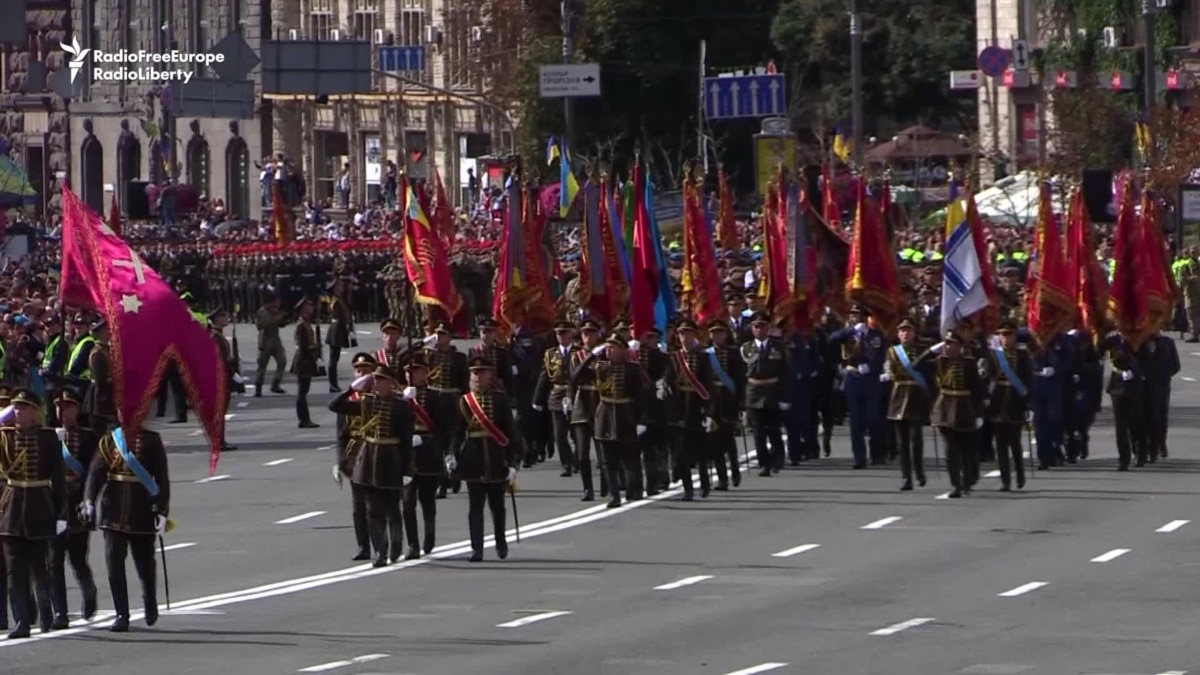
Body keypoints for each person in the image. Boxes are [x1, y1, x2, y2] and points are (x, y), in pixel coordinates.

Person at [83, 420, 170, 632]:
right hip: (113, 509)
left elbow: (162, 478)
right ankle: (122, 613)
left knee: (145, 563)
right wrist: (89, 501)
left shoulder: (151, 440)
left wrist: (162, 511)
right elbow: (96, 473)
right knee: (114, 564)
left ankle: (149, 600)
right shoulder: (110, 440)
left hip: (141, 509)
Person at [329, 365, 414, 567]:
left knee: (392, 507)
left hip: (390, 458)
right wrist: (351, 389)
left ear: (391, 383)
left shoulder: (401, 406)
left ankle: (395, 544)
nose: (376, 383)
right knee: (372, 510)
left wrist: (406, 470)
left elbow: (406, 441)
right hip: (368, 459)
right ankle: (380, 551)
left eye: (380, 379)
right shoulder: (367, 402)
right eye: (374, 379)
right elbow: (335, 406)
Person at [0, 389, 65, 638]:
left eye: (24, 407)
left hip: (39, 508)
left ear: (35, 412)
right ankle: (22, 621)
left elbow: (57, 479)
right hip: (11, 510)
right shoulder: (4, 437)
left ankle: (46, 614)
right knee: (14, 571)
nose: (19, 412)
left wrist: (61, 514)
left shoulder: (48, 439)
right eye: (16, 408)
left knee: (39, 567)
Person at [457, 358, 520, 562]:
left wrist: (512, 464)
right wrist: (451, 455)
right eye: (474, 373)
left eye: (481, 372)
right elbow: (457, 433)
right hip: (473, 458)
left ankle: (500, 542)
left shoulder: (500, 399)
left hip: (495, 457)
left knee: (497, 506)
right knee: (475, 507)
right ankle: (477, 548)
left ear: (489, 375)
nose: (477, 376)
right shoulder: (464, 401)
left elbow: (510, 433)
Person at [576, 335, 647, 507]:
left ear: (623, 350)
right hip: (605, 417)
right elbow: (576, 376)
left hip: (626, 415)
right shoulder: (601, 367)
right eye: (607, 348)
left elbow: (641, 397)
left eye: (613, 348)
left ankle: (632, 489)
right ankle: (614, 496)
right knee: (608, 461)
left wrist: (641, 421)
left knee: (630, 458)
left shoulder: (632, 369)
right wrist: (592, 355)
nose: (609, 351)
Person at [49, 387, 99, 628]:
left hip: (76, 502)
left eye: (67, 406)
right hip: (53, 505)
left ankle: (89, 593)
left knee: (78, 558)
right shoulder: (48, 435)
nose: (62, 411)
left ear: (76, 409)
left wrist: (88, 500)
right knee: (53, 561)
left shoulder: (89, 437)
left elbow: (93, 472)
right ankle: (60, 612)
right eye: (59, 406)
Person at [929, 331, 987, 498]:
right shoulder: (940, 361)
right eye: (945, 343)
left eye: (950, 343)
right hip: (945, 410)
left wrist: (978, 414)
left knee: (966, 450)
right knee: (950, 450)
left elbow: (977, 390)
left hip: (963, 409)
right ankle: (956, 484)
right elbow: (918, 364)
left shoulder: (969, 364)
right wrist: (934, 349)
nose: (947, 347)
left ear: (959, 346)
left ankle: (967, 479)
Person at [333, 352, 377, 561]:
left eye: (366, 371)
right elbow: (342, 434)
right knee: (358, 506)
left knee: (375, 505)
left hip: (376, 454)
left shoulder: (380, 397)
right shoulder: (348, 401)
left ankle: (381, 544)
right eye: (358, 371)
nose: (361, 375)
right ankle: (363, 546)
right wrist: (340, 462)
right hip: (355, 456)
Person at [881, 318, 933, 491]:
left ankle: (919, 471)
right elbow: (888, 368)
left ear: (914, 333)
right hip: (898, 396)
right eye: (902, 331)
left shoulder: (921, 350)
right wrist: (887, 374)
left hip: (916, 397)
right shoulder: (892, 351)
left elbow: (928, 372)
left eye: (908, 330)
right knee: (902, 443)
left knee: (916, 439)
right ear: (898, 334)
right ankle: (906, 477)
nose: (905, 334)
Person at [666, 319, 716, 499]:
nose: (684, 337)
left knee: (701, 452)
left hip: (697, 406)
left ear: (694, 335)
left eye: (687, 333)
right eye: (681, 334)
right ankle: (688, 489)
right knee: (682, 453)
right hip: (679, 409)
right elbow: (669, 380)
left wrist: (709, 412)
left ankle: (704, 484)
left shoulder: (702, 357)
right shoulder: (673, 357)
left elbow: (708, 385)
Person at [740, 312, 790, 476]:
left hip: (773, 392)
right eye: (756, 327)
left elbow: (785, 372)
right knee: (758, 432)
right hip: (754, 393)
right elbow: (741, 375)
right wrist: (742, 401)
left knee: (774, 430)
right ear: (752, 329)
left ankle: (778, 457)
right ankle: (764, 463)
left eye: (763, 326)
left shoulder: (778, 347)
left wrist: (784, 397)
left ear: (769, 328)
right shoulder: (745, 348)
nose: (760, 330)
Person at [984, 321, 1032, 491]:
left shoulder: (1023, 355)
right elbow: (988, 378)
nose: (1006, 338)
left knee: (1015, 443)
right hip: (998, 402)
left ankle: (1019, 472)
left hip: (1015, 402)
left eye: (1009, 335)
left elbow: (1028, 380)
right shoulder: (993, 355)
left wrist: (1028, 405)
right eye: (1003, 335)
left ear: (1014, 336)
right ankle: (1006, 480)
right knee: (1001, 444)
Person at [401, 354, 440, 559]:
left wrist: (426, 440)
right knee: (407, 503)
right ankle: (413, 544)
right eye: (409, 371)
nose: (412, 375)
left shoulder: (435, 396)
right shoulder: (402, 397)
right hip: (407, 455)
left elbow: (442, 427)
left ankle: (430, 535)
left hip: (428, 453)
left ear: (426, 373)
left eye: (416, 371)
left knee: (427, 500)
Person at [532, 321, 579, 480]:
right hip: (557, 395)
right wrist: (537, 399)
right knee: (559, 434)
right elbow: (544, 377)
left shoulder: (578, 352)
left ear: (571, 334)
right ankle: (566, 464)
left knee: (577, 432)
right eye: (558, 333)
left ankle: (578, 459)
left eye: (564, 333)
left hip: (576, 395)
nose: (561, 337)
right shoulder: (551, 354)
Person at [209, 308, 240, 451]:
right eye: (223, 316)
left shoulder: (218, 335)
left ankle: (219, 440)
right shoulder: (215, 337)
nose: (226, 318)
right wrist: (232, 372)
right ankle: (218, 441)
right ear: (217, 319)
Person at [290, 297, 322, 429]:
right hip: (303, 360)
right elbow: (304, 346)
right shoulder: (301, 325)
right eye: (309, 306)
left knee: (304, 390)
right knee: (302, 391)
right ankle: (304, 419)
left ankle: (305, 418)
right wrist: (315, 358)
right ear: (303, 309)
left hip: (306, 358)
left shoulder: (306, 323)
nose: (312, 308)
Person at [82, 319, 114, 435]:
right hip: (98, 395)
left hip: (106, 391)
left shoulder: (106, 349)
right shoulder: (98, 353)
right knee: (98, 430)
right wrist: (103, 397)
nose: (109, 333)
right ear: (100, 333)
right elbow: (100, 378)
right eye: (107, 331)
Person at [254, 291, 289, 397]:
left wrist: (284, 318)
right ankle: (258, 388)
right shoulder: (262, 311)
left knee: (282, 361)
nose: (279, 302)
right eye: (277, 300)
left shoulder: (276, 310)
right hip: (265, 342)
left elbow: (281, 325)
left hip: (275, 340)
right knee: (262, 366)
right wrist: (278, 317)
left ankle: (276, 384)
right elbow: (266, 323)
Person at [325, 278, 356, 392]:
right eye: (339, 286)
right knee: (333, 359)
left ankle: (334, 384)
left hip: (339, 330)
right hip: (336, 330)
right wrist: (347, 329)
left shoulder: (340, 300)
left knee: (335, 358)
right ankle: (333, 384)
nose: (341, 288)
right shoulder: (336, 301)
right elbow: (339, 316)